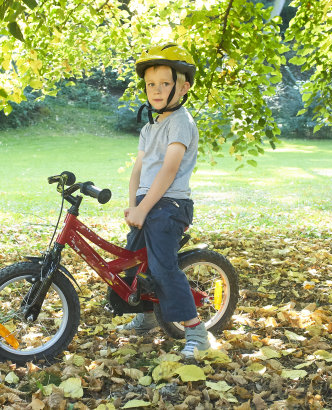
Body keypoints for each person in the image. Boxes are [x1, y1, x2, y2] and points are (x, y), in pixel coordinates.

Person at [120, 43, 209, 359]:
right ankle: (146, 315)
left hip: (170, 205)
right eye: (150, 85)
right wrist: (134, 205)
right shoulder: (149, 126)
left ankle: (196, 332)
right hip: (147, 202)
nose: (156, 91)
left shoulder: (181, 121)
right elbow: (138, 170)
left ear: (183, 87)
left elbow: (170, 169)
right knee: (132, 260)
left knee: (160, 264)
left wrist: (144, 208)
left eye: (165, 84)